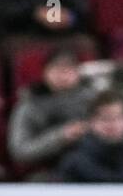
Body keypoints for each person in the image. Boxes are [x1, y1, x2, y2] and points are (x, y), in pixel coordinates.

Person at [8, 46, 95, 178]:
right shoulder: (30, 104)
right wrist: (61, 136)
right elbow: (20, 151)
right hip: (48, 171)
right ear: (45, 72)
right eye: (56, 69)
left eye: (68, 70)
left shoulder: (95, 100)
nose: (62, 75)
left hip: (94, 167)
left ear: (78, 72)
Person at [58, 90, 123, 182]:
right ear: (91, 122)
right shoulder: (74, 163)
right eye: (104, 118)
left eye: (118, 117)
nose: (112, 124)